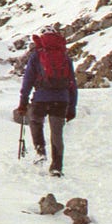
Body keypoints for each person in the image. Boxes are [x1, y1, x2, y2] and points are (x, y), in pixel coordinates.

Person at [16, 28, 77, 177]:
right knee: (57, 133)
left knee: (35, 121)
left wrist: (23, 102)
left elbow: (28, 80)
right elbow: (72, 84)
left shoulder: (37, 55)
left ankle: (40, 151)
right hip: (61, 100)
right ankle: (56, 167)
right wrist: (72, 107)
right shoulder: (64, 56)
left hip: (41, 98)